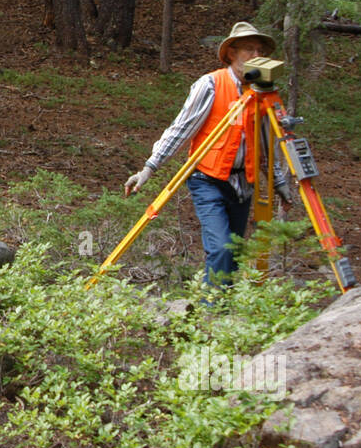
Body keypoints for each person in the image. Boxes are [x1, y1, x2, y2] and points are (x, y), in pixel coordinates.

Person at [124, 21, 292, 285]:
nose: (256, 56)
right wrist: (149, 168)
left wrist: (279, 183)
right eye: (249, 49)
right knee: (221, 248)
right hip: (208, 180)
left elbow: (265, 141)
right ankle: (210, 312)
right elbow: (180, 130)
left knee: (233, 253)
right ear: (232, 53)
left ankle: (225, 312)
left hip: (243, 184)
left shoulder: (261, 92)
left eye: (260, 50)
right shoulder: (211, 84)